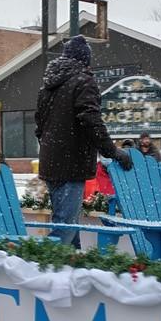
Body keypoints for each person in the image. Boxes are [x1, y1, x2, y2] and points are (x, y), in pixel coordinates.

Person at [35, 35, 133, 248]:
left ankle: (73, 267)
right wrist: (112, 151)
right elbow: (91, 121)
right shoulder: (83, 81)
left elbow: (39, 126)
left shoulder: (49, 86)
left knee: (66, 221)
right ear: (85, 60)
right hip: (71, 163)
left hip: (51, 162)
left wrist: (53, 146)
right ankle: (38, 263)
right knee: (66, 227)